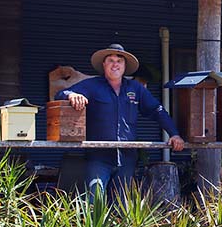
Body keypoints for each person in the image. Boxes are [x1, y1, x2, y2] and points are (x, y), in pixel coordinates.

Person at [54, 43, 185, 197]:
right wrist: (71, 95)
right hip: (98, 158)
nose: (115, 64)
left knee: (121, 206)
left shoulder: (135, 89)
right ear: (104, 64)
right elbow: (60, 94)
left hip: (127, 159)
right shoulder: (92, 85)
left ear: (124, 65)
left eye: (119, 61)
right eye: (110, 60)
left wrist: (174, 134)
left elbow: (157, 110)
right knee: (94, 202)